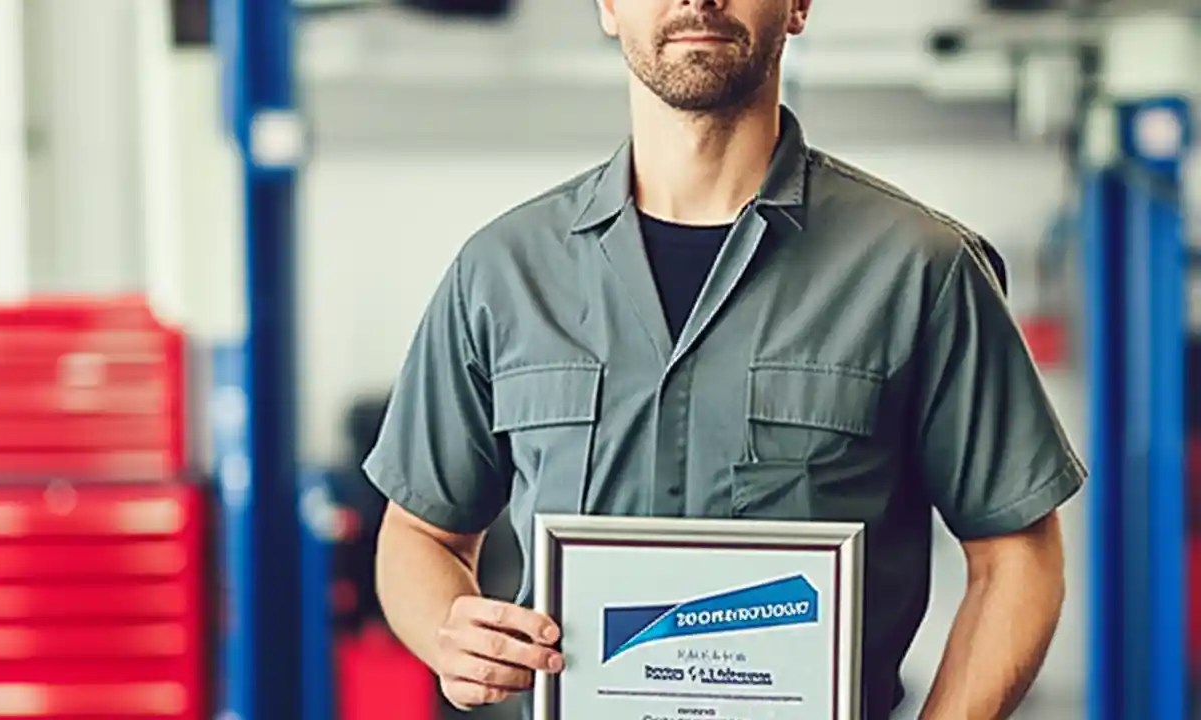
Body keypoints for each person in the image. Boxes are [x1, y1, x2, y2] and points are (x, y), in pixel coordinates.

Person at [361, 0, 1085, 717]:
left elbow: (1016, 554)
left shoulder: (919, 269)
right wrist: (447, 631)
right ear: (608, 7)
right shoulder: (503, 273)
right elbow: (420, 533)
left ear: (799, 6)